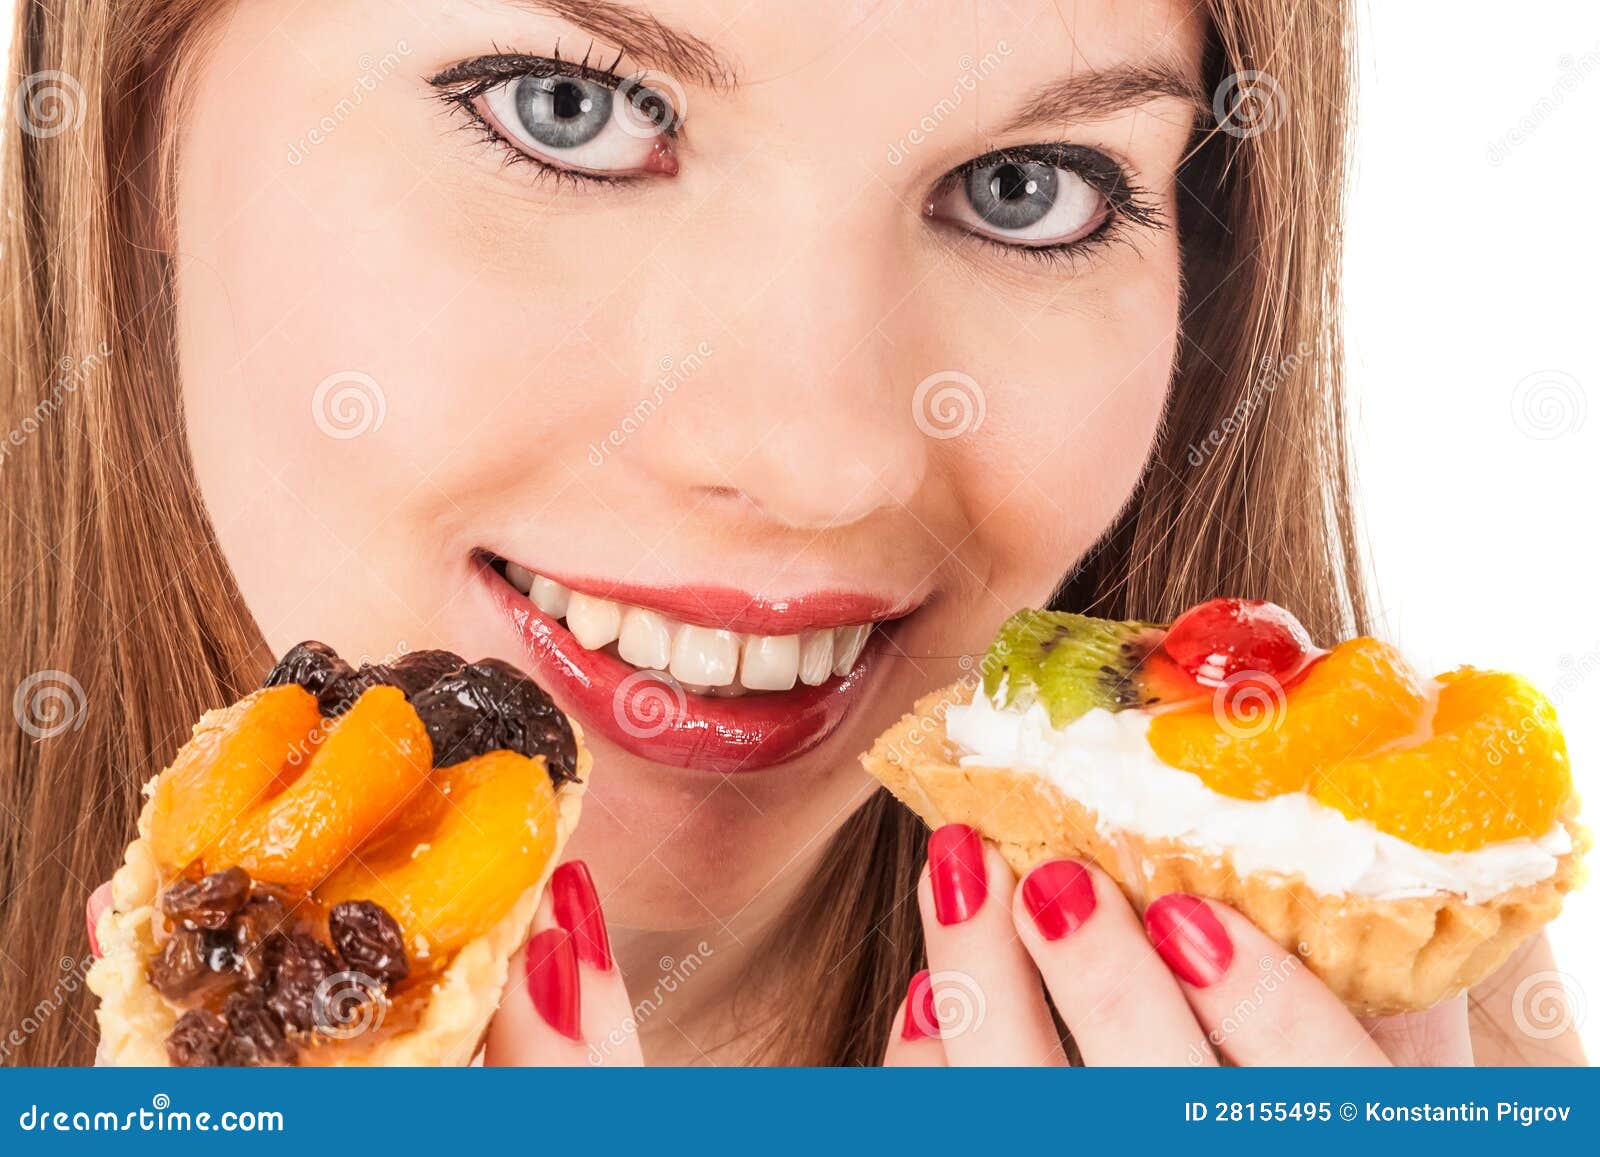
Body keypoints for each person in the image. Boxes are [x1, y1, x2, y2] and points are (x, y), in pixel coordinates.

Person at [0, 0, 1579, 1066]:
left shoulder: (1451, 1051)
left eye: (1029, 186)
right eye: (574, 111)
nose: (820, 459)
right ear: (135, 104)